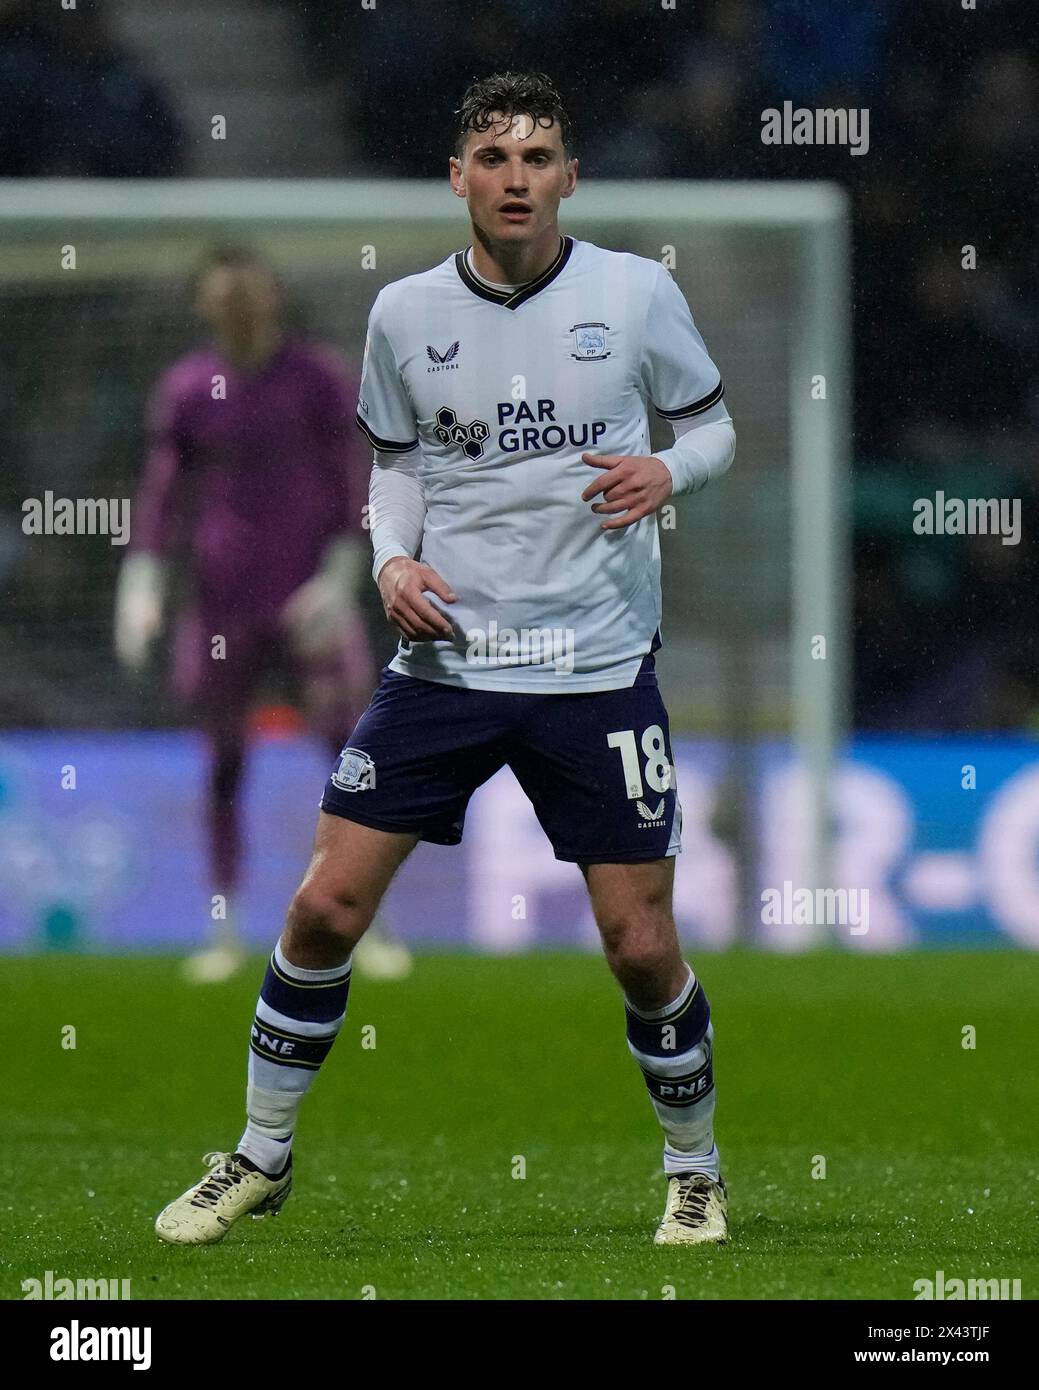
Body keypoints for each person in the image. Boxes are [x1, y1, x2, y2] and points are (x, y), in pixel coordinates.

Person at [154, 71, 735, 1248]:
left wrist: (672, 471)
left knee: (639, 943)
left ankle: (695, 1169)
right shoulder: (403, 316)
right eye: (494, 157)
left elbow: (712, 424)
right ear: (458, 178)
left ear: (568, 176)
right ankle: (260, 1154)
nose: (516, 178)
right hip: (448, 670)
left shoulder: (634, 294)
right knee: (321, 906)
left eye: (538, 157)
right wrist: (388, 564)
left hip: (596, 666)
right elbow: (398, 468)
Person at [115, 245, 411, 984]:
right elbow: (160, 493)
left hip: (309, 595)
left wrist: (342, 576)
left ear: (272, 298)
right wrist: (142, 582)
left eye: (250, 296)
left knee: (352, 758)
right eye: (225, 300)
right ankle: (224, 930)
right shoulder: (186, 388)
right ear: (205, 307)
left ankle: (364, 922)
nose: (240, 311)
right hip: (220, 604)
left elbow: (354, 480)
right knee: (222, 762)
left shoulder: (316, 379)